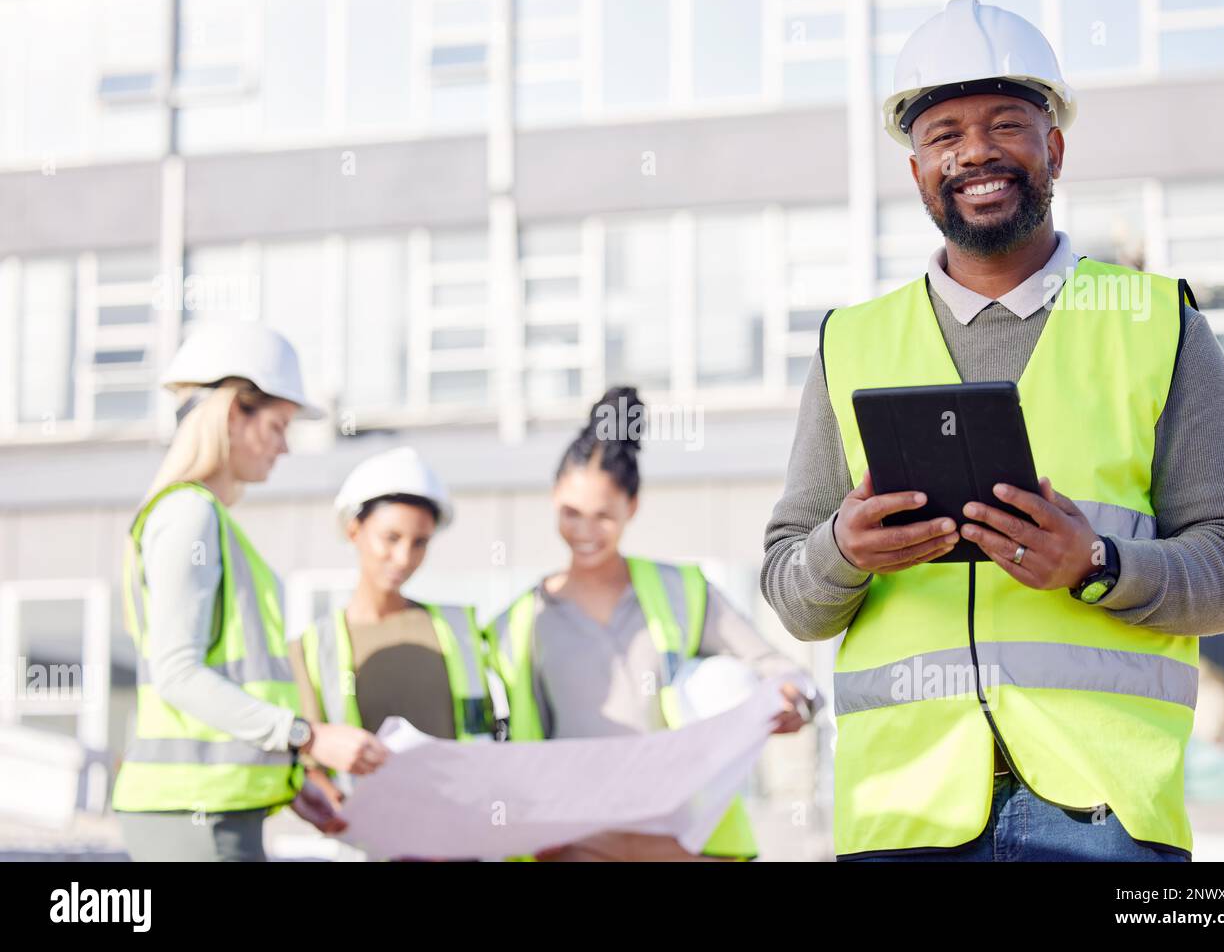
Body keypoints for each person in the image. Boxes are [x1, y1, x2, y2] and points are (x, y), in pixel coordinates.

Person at [762, 0, 1224, 862]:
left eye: (1006, 124)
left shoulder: (1158, 323)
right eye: (945, 133)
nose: (976, 153)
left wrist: (1099, 565)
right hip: (903, 815)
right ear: (916, 168)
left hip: (1103, 820)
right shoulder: (849, 342)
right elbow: (789, 588)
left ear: (1054, 149)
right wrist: (842, 550)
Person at [486, 387, 819, 861]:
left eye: (603, 516)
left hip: (681, 844)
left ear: (632, 508)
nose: (584, 531)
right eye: (570, 513)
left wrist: (793, 703)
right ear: (553, 497)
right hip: (577, 848)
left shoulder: (683, 591)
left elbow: (784, 674)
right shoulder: (515, 623)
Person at [113, 321, 387, 861]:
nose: (285, 447)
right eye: (279, 424)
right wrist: (308, 737)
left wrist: (287, 783)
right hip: (193, 815)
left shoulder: (204, 519)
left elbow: (223, 687)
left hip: (213, 811)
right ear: (235, 410)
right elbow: (178, 673)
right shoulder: (188, 515)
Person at [289, 446, 505, 815]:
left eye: (419, 542)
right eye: (391, 538)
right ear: (353, 529)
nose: (404, 558)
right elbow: (307, 768)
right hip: (371, 843)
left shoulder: (460, 630)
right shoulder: (313, 649)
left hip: (465, 837)